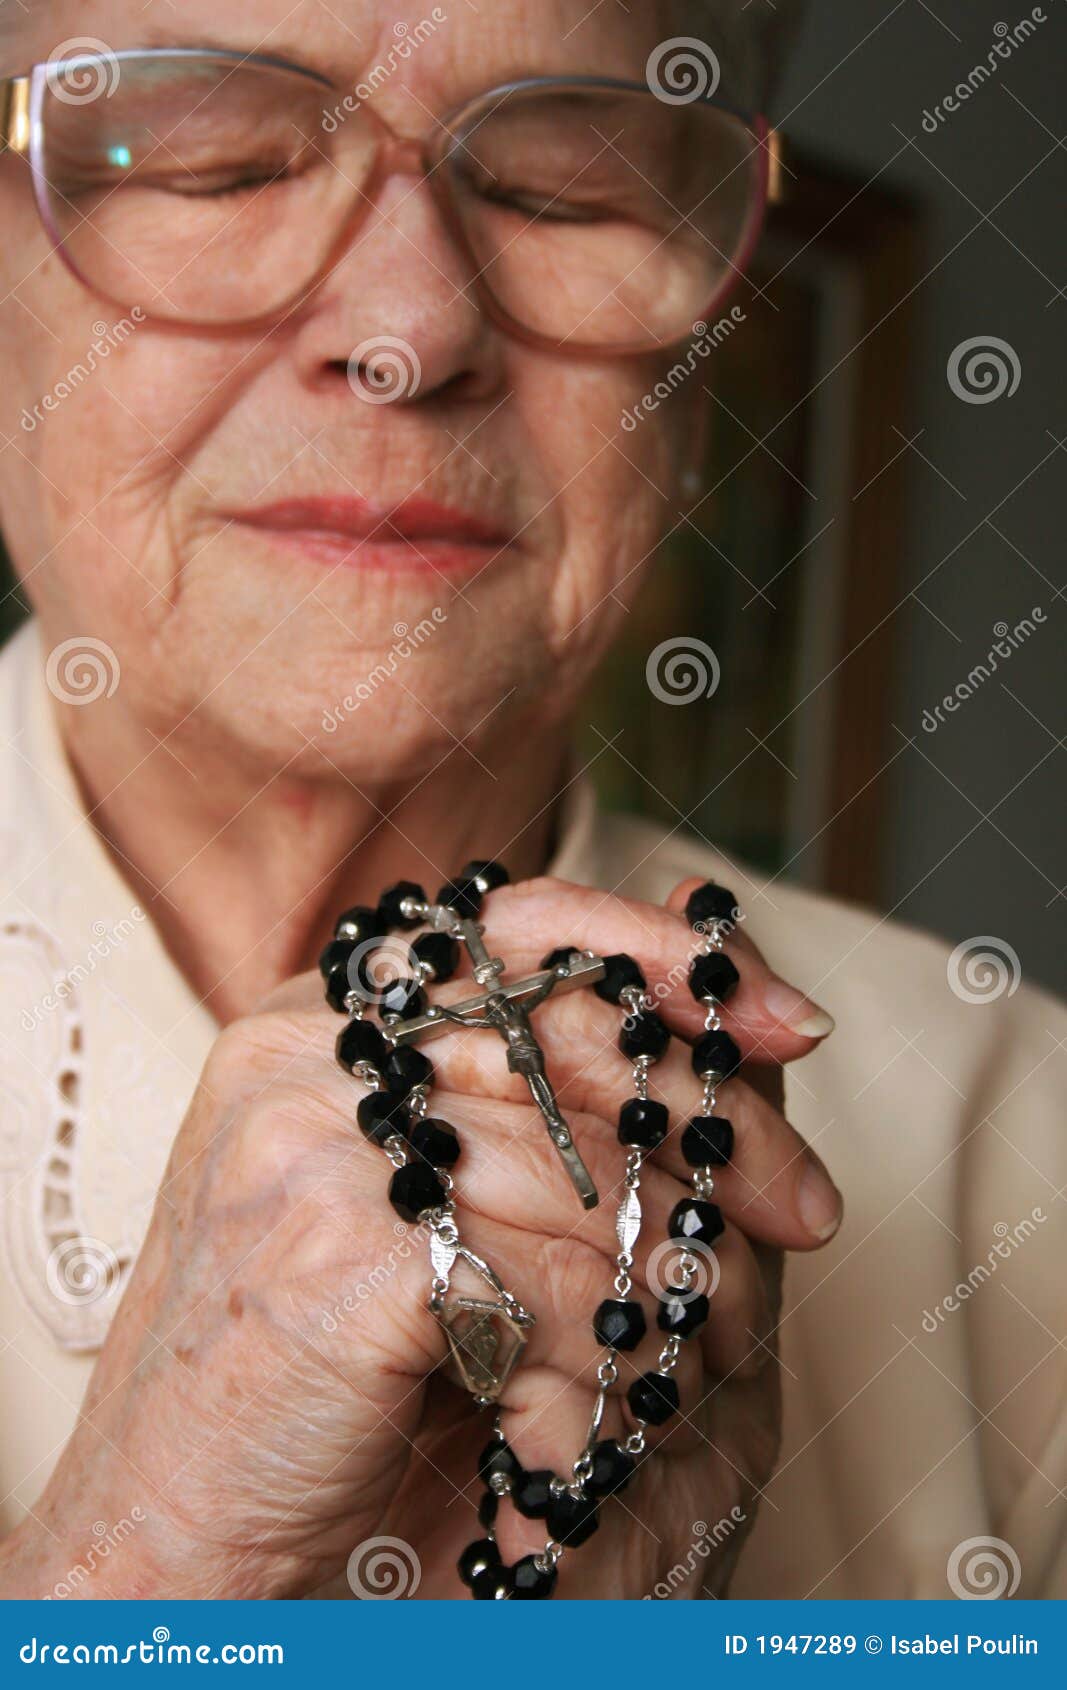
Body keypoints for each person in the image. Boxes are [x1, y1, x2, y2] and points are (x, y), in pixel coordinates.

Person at [0, 0, 1063, 1601]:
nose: (412, 332)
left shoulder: (1026, 1155)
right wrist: (116, 1580)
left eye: (569, 185)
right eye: (214, 164)